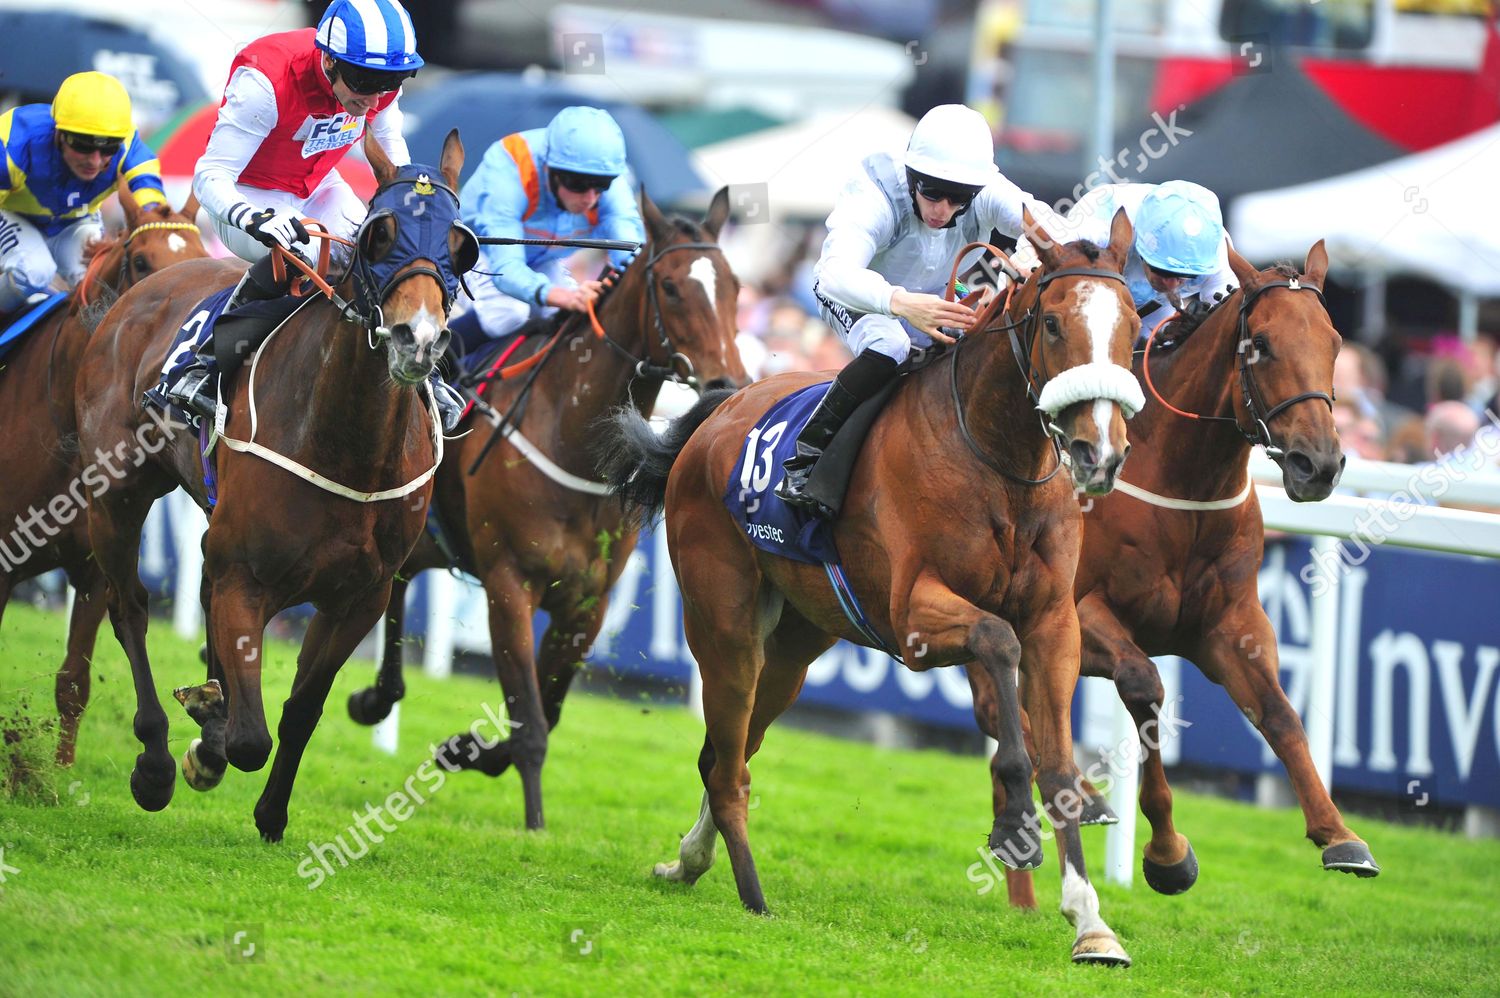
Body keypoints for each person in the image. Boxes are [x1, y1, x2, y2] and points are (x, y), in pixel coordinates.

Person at [164, 0, 461, 428]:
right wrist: (251, 217)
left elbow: (396, 169)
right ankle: (205, 364)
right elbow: (209, 175)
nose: (374, 99)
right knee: (306, 251)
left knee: (380, 247)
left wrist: (421, 216)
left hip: (317, 183)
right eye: (364, 82)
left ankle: (422, 373)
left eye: (389, 83)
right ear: (329, 60)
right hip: (248, 192)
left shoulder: (376, 84)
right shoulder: (264, 83)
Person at [775, 103, 1061, 516]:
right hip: (856, 293)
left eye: (958, 198)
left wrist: (1027, 256)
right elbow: (836, 273)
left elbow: (1054, 229)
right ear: (911, 176)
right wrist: (902, 304)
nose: (942, 209)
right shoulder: (875, 193)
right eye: (931, 192)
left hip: (933, 293)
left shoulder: (986, 188)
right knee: (891, 344)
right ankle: (808, 459)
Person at [446, 106, 645, 348]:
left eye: (602, 184)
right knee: (507, 312)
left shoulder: (607, 178)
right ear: (549, 169)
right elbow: (506, 267)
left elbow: (633, 255)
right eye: (578, 183)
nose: (590, 198)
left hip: (540, 260)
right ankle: (429, 360)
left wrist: (620, 283)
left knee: (571, 320)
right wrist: (564, 296)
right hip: (473, 252)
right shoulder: (512, 166)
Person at [0, 72, 167, 316]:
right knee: (35, 271)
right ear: (58, 133)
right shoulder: (14, 144)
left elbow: (153, 212)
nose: (95, 161)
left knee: (101, 283)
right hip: (13, 215)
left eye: (108, 147)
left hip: (75, 221)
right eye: (82, 145)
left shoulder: (129, 148)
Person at [1015, 179, 1235, 325]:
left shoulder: (1217, 255)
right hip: (1105, 248)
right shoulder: (1099, 225)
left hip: (1155, 306)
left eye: (1184, 276)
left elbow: (1228, 324)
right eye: (1163, 271)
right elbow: (1042, 235)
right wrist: (1026, 261)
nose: (1171, 284)